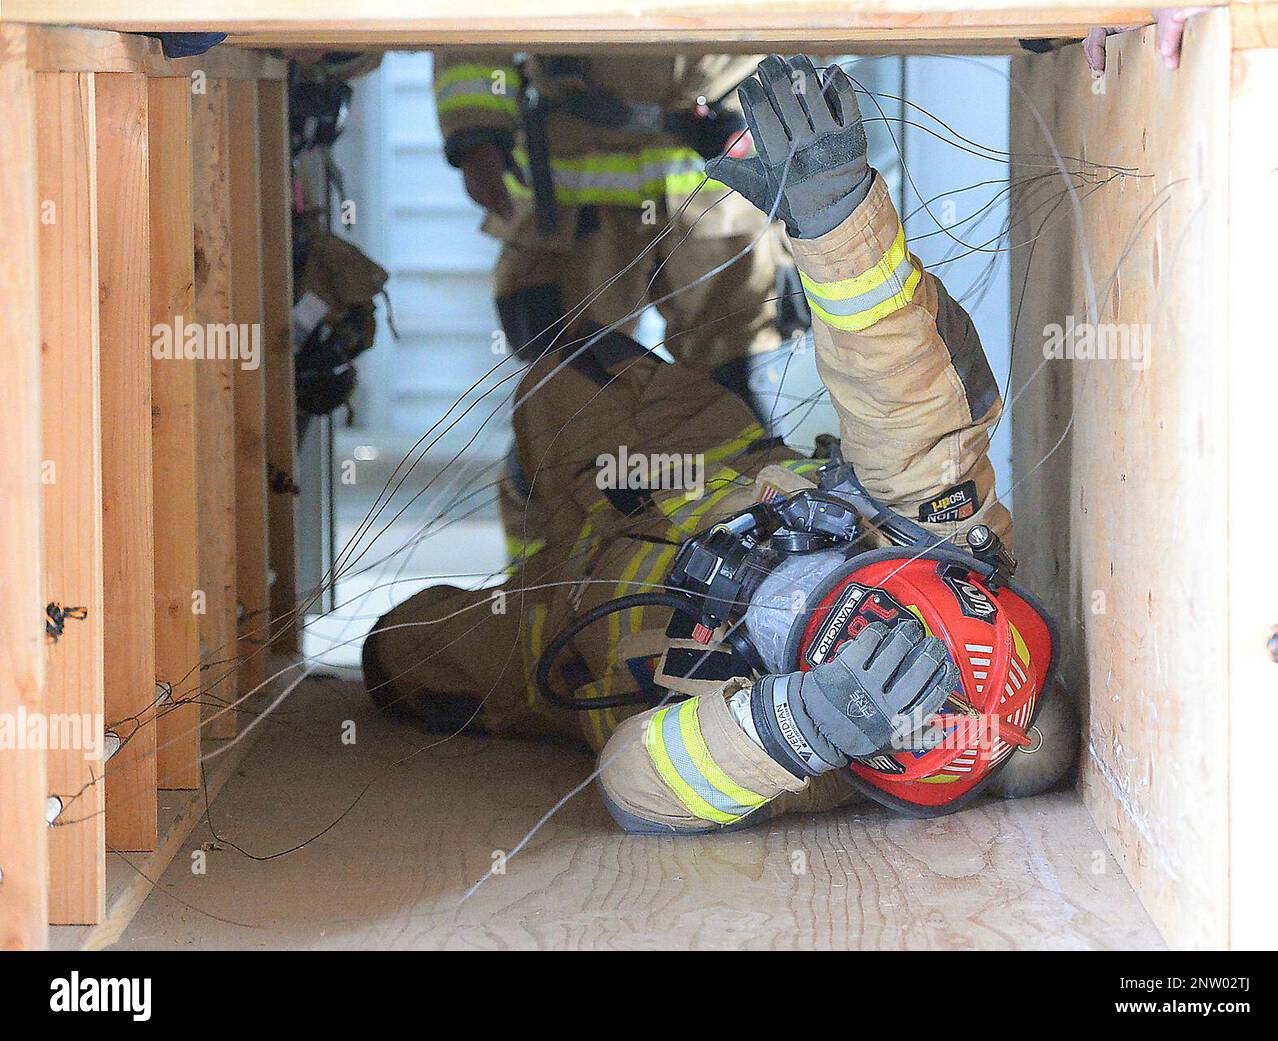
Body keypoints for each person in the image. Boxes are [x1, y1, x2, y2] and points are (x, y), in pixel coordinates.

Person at [365, 56, 1077, 832]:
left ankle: (524, 568)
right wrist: (836, 222)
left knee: (393, 651)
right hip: (695, 477)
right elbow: (914, 407)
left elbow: (635, 779)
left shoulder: (827, 770)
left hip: (566, 627)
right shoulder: (950, 544)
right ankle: (535, 505)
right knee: (566, 367)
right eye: (889, 628)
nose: (866, 638)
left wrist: (800, 725)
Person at [432, 50, 803, 563]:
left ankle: (760, 581)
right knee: (565, 394)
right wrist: (476, 132)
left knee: (741, 387)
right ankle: (542, 593)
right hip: (577, 178)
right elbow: (473, 31)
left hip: (722, 165)